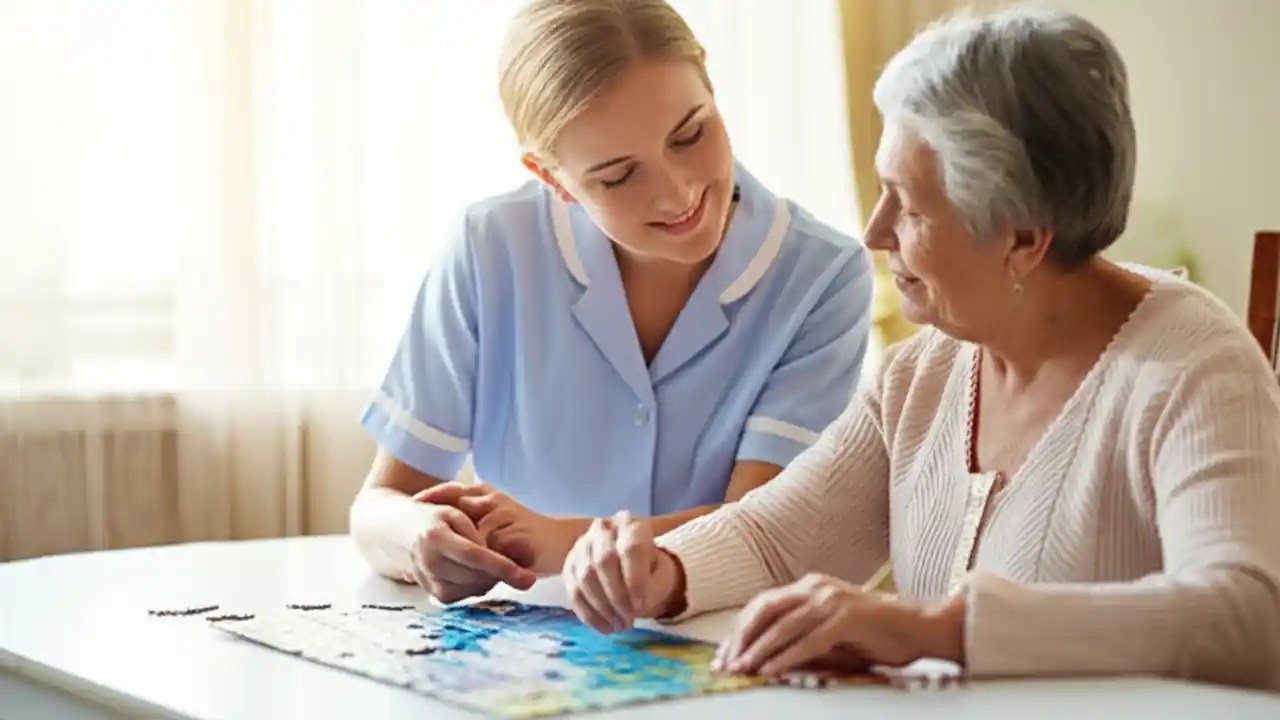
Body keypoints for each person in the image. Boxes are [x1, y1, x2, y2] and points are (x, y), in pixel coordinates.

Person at [561, 6, 1280, 689]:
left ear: (1023, 238)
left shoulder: (1196, 368)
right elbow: (776, 540)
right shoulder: (924, 372)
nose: (874, 233)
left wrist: (938, 629)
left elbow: (1248, 619)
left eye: (907, 204)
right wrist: (659, 570)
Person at [349, 0, 874, 604]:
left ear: (710, 84)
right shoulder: (490, 246)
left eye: (690, 134)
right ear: (552, 178)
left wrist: (560, 542)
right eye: (619, 175)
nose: (677, 193)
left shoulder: (823, 276)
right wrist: (421, 536)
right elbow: (377, 508)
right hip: (516, 659)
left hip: (725, 653)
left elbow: (766, 531)